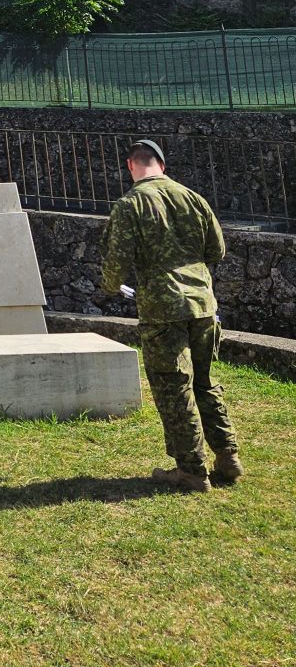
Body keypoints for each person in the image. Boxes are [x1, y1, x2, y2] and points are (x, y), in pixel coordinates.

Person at [101, 138, 243, 493]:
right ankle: (228, 456)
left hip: (162, 310)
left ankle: (192, 470)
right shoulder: (193, 198)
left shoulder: (130, 204)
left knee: (173, 388)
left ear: (131, 166)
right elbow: (217, 250)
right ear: (162, 165)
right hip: (202, 304)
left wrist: (110, 285)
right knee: (205, 381)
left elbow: (116, 263)